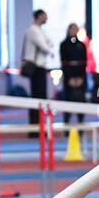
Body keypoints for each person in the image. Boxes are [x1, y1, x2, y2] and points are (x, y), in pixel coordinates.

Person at [20, 9, 57, 137]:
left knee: (42, 99)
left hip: (41, 68)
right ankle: (35, 129)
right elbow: (44, 46)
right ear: (39, 16)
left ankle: (41, 127)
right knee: (36, 99)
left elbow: (51, 43)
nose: (47, 18)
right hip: (35, 68)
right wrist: (49, 50)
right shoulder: (33, 30)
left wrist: (49, 47)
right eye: (45, 16)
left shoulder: (41, 31)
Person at [58, 23, 89, 129]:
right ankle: (66, 126)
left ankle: (81, 125)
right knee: (68, 101)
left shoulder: (82, 45)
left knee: (81, 100)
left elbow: (84, 62)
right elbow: (64, 62)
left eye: (76, 29)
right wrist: (70, 78)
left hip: (80, 76)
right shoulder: (63, 45)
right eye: (72, 29)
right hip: (68, 77)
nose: (74, 31)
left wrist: (80, 78)